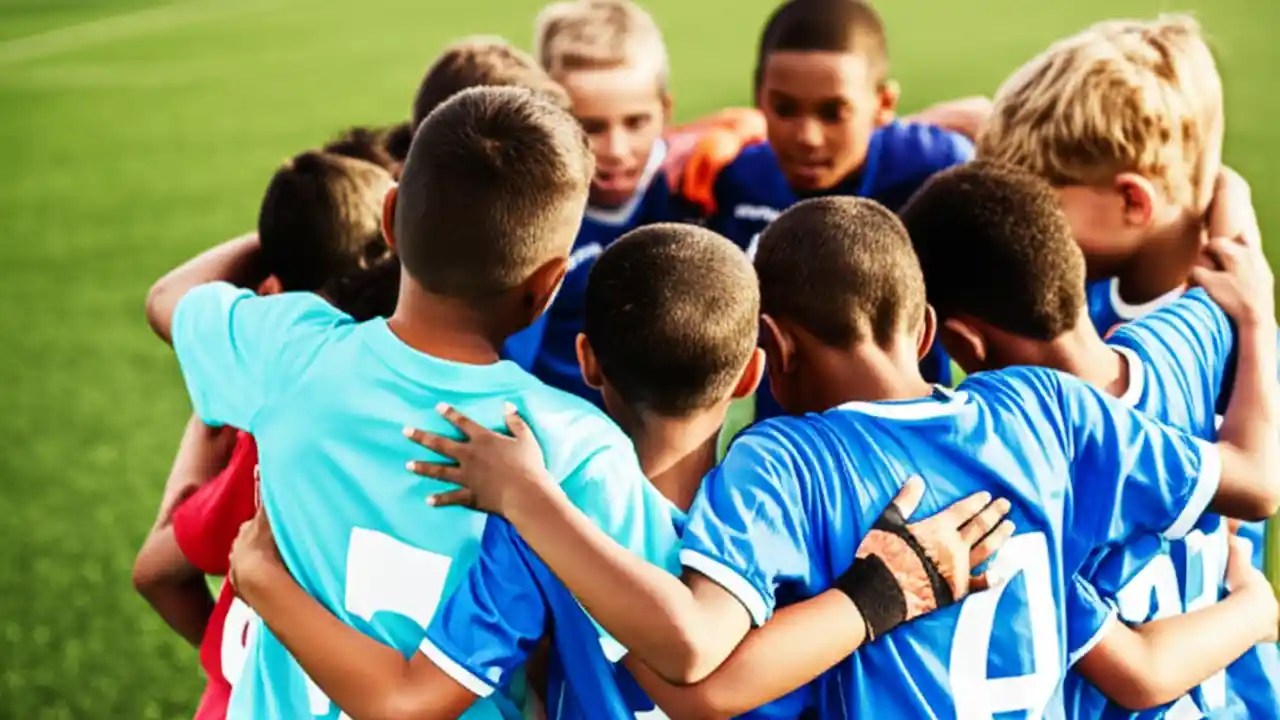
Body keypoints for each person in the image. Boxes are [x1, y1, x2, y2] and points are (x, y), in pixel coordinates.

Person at [395, 196, 1280, 718]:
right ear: (931, 332)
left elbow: (699, 685)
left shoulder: (784, 463)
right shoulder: (1046, 411)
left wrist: (874, 598)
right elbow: (1256, 486)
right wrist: (1255, 318)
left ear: (768, 354)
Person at [226, 222, 1010, 719]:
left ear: (586, 358)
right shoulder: (790, 524)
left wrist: (264, 580)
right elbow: (705, 682)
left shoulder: (535, 523)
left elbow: (412, 700)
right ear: (750, 374)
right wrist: (877, 593)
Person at [146, 86, 682, 719]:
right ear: (549, 284)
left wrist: (285, 232)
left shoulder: (290, 352)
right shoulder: (569, 445)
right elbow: (674, 641)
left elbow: (169, 297)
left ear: (392, 219)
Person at [901, 161, 1280, 717]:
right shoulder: (1181, 339)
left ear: (963, 342)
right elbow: (1230, 227)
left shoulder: (1014, 474)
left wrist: (1256, 608)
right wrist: (1257, 322)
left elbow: (1142, 675)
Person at [133, 150, 397, 720]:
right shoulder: (456, 421)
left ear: (272, 291)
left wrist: (279, 236)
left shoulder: (273, 428)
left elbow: (156, 571)